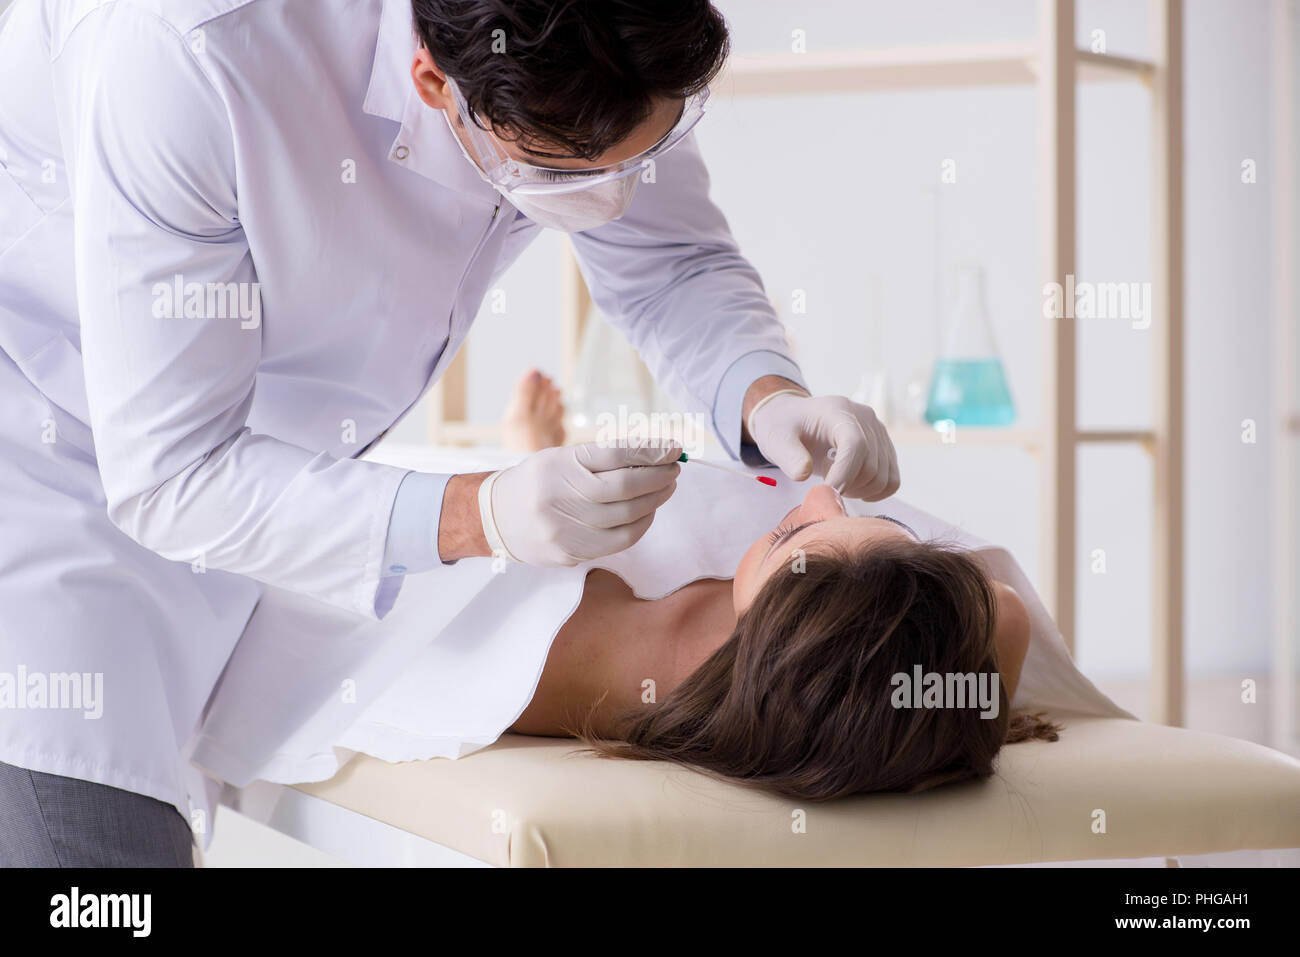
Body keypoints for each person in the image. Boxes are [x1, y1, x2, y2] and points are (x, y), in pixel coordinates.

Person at [0, 1, 898, 866]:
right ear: (435, 81)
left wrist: (763, 394)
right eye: (566, 173)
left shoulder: (605, 39)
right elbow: (174, 474)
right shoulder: (178, 46)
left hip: (290, 471)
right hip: (46, 449)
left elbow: (672, 261)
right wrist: (479, 516)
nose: (619, 201)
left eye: (650, 147)